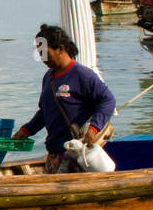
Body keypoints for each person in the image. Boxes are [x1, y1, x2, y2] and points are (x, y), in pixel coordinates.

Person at [13, 25, 116, 174]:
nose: (42, 58)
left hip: (75, 151)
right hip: (54, 151)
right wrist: (26, 130)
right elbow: (44, 112)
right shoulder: (49, 78)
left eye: (45, 52)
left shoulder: (82, 75)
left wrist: (94, 128)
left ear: (60, 49)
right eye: (39, 53)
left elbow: (108, 101)